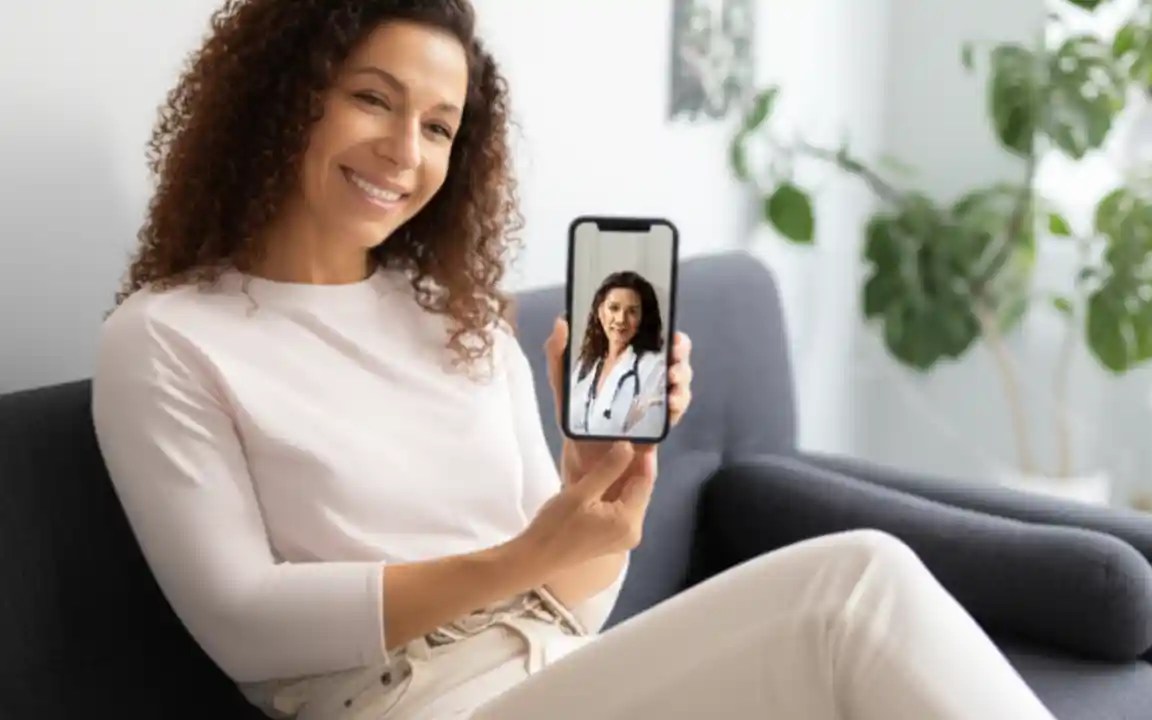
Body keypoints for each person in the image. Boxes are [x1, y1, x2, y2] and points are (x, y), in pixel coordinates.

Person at [89, 1, 1057, 718]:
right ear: (281, 100)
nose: (403, 151)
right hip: (414, 707)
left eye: (438, 126)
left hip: (567, 679)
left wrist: (595, 502)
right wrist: (520, 557)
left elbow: (568, 612)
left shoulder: (450, 316)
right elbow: (242, 620)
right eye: (371, 100)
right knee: (855, 590)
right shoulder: (169, 338)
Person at [567, 271, 668, 438]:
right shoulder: (585, 367)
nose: (621, 319)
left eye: (632, 312)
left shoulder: (654, 368)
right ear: (600, 312)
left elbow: (645, 434)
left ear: (642, 318)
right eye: (614, 308)